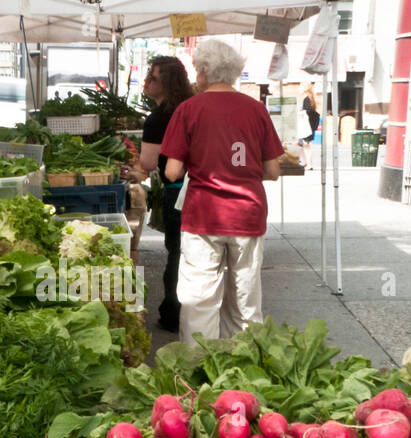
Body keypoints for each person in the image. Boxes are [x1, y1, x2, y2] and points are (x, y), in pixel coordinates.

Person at [160, 39, 282, 343]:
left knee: (199, 299)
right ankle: (242, 369)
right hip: (248, 215)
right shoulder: (256, 109)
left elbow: (172, 171)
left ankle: (198, 370)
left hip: (203, 216)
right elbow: (272, 171)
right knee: (245, 298)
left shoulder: (188, 109)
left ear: (202, 71)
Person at [137, 56, 195, 333]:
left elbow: (148, 164)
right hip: (199, 188)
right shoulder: (193, 108)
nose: (147, 81)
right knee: (194, 253)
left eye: (153, 77)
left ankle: (173, 314)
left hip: (177, 191)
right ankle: (192, 311)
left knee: (176, 253)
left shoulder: (159, 117)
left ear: (167, 83)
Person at [299, 86, 321, 169]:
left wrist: (300, 112)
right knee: (303, 144)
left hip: (307, 125)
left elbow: (307, 111)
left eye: (300, 87)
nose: (299, 89)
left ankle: (309, 164)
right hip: (310, 125)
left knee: (306, 145)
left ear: (305, 89)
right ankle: (305, 162)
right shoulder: (310, 98)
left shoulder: (306, 99)